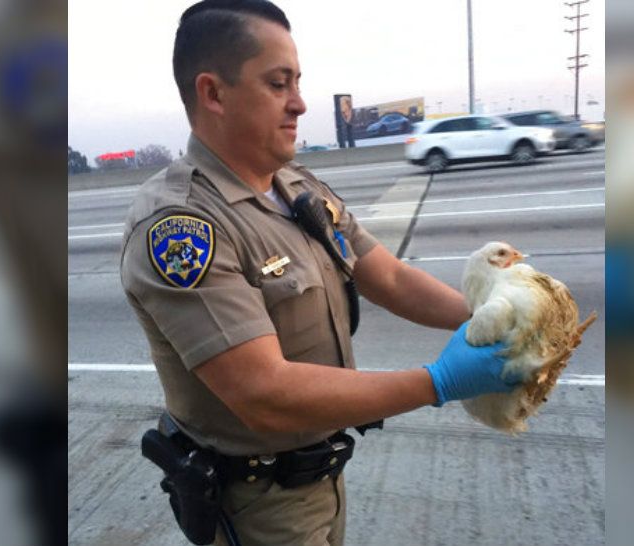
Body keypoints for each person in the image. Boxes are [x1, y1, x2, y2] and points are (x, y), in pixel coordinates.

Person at [120, 1, 569, 544]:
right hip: (256, 505)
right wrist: (439, 382)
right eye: (278, 84)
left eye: (298, 82)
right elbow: (263, 392)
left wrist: (500, 321)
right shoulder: (181, 227)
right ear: (213, 93)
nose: (300, 103)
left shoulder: (296, 186)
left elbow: (389, 278)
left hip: (323, 480)